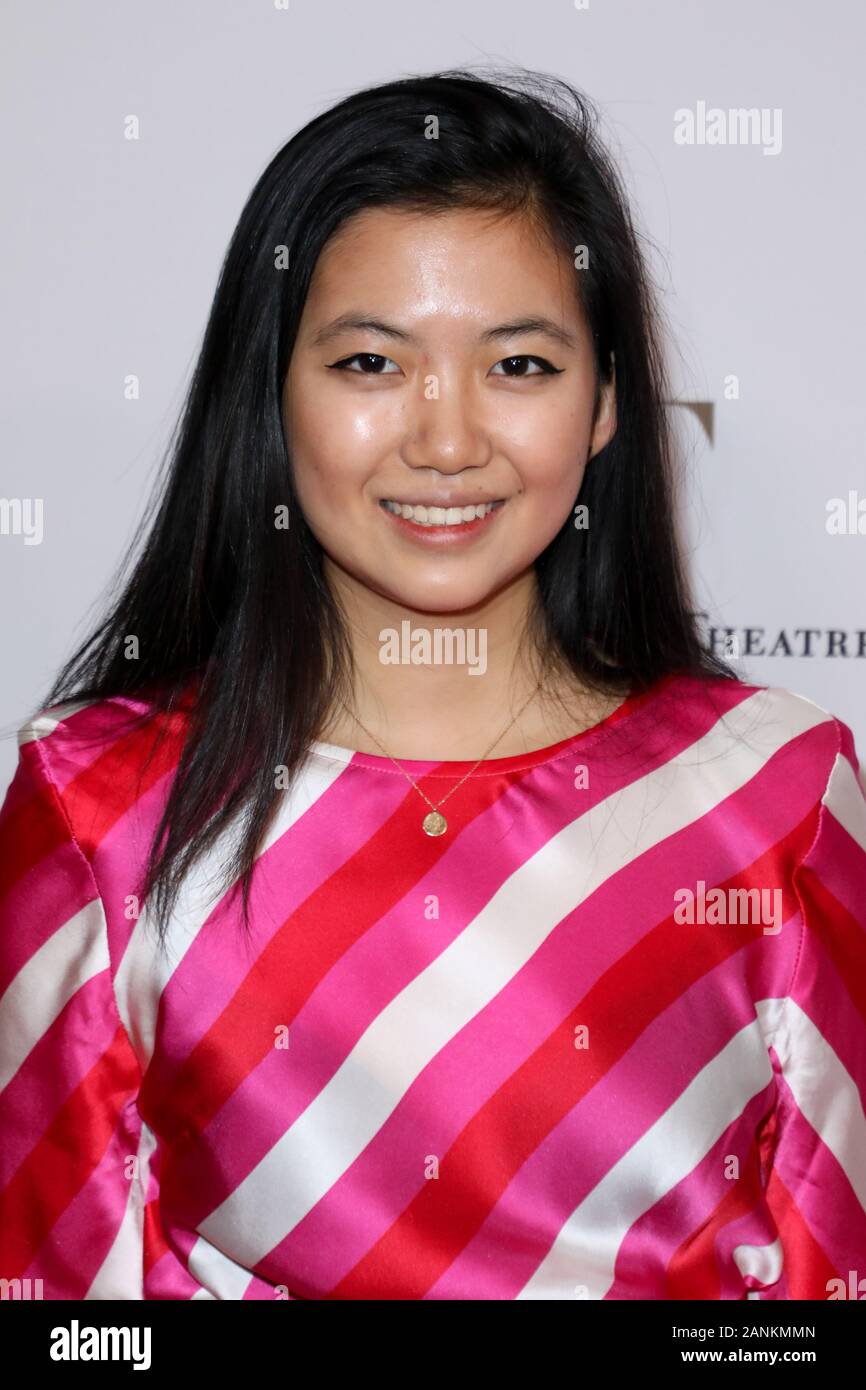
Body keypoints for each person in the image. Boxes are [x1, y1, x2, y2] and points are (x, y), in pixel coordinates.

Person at [1, 67, 864, 1301]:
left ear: (608, 399)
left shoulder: (774, 799)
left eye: (517, 366)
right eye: (368, 363)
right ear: (270, 391)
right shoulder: (100, 816)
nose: (447, 440)